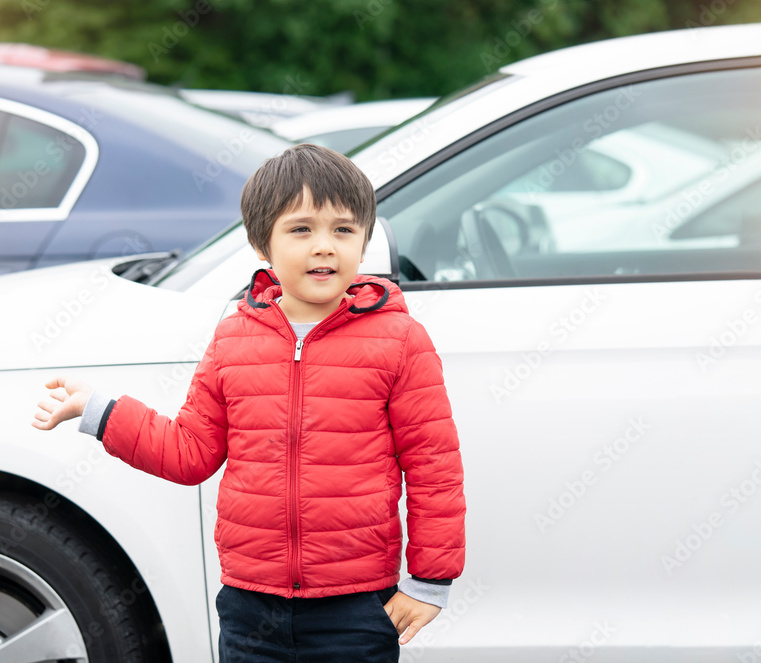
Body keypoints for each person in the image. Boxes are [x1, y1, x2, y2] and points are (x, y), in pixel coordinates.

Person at [32, 143, 465, 662]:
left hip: (356, 606)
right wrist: (102, 412)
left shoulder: (399, 339)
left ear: (365, 242)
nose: (324, 246)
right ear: (263, 245)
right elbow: (190, 452)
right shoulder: (234, 336)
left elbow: (433, 466)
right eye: (301, 229)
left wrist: (430, 581)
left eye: (343, 230)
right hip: (250, 605)